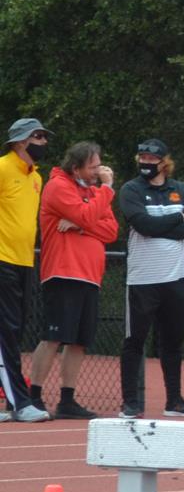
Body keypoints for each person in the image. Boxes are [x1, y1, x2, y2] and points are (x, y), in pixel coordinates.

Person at [29, 141, 119, 419]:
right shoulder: (58, 187)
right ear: (76, 166)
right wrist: (105, 192)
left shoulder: (93, 192)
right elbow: (88, 214)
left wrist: (81, 225)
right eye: (92, 167)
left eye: (98, 166)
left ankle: (67, 400)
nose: (97, 172)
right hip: (63, 272)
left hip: (90, 275)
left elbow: (112, 230)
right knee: (53, 337)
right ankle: (33, 397)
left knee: (79, 342)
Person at [117, 137, 184, 418]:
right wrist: (176, 220)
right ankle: (131, 403)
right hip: (142, 281)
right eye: (142, 158)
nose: (146, 163)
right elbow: (142, 225)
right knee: (135, 341)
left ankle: (175, 402)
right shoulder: (131, 190)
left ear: (165, 162)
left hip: (176, 279)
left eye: (152, 159)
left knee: (173, 342)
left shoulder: (183, 191)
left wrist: (163, 226)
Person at [1, 118, 55, 423]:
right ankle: (19, 402)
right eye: (38, 137)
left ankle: (11, 402)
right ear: (21, 141)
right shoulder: (2, 168)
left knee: (16, 329)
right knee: (6, 332)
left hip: (24, 262)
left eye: (44, 137)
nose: (43, 142)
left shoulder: (37, 177)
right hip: (2, 260)